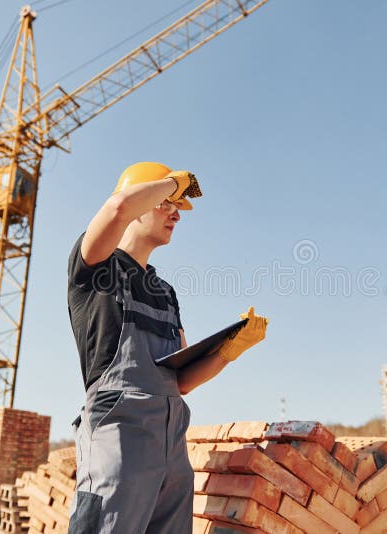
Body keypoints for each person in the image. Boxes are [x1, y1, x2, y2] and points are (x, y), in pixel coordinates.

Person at [66, 161, 269, 533]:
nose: (176, 213)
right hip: (119, 436)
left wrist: (230, 350)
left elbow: (182, 381)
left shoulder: (165, 293)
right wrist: (172, 183)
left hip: (171, 442)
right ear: (140, 201)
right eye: (167, 203)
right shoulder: (96, 266)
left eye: (178, 206)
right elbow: (116, 208)